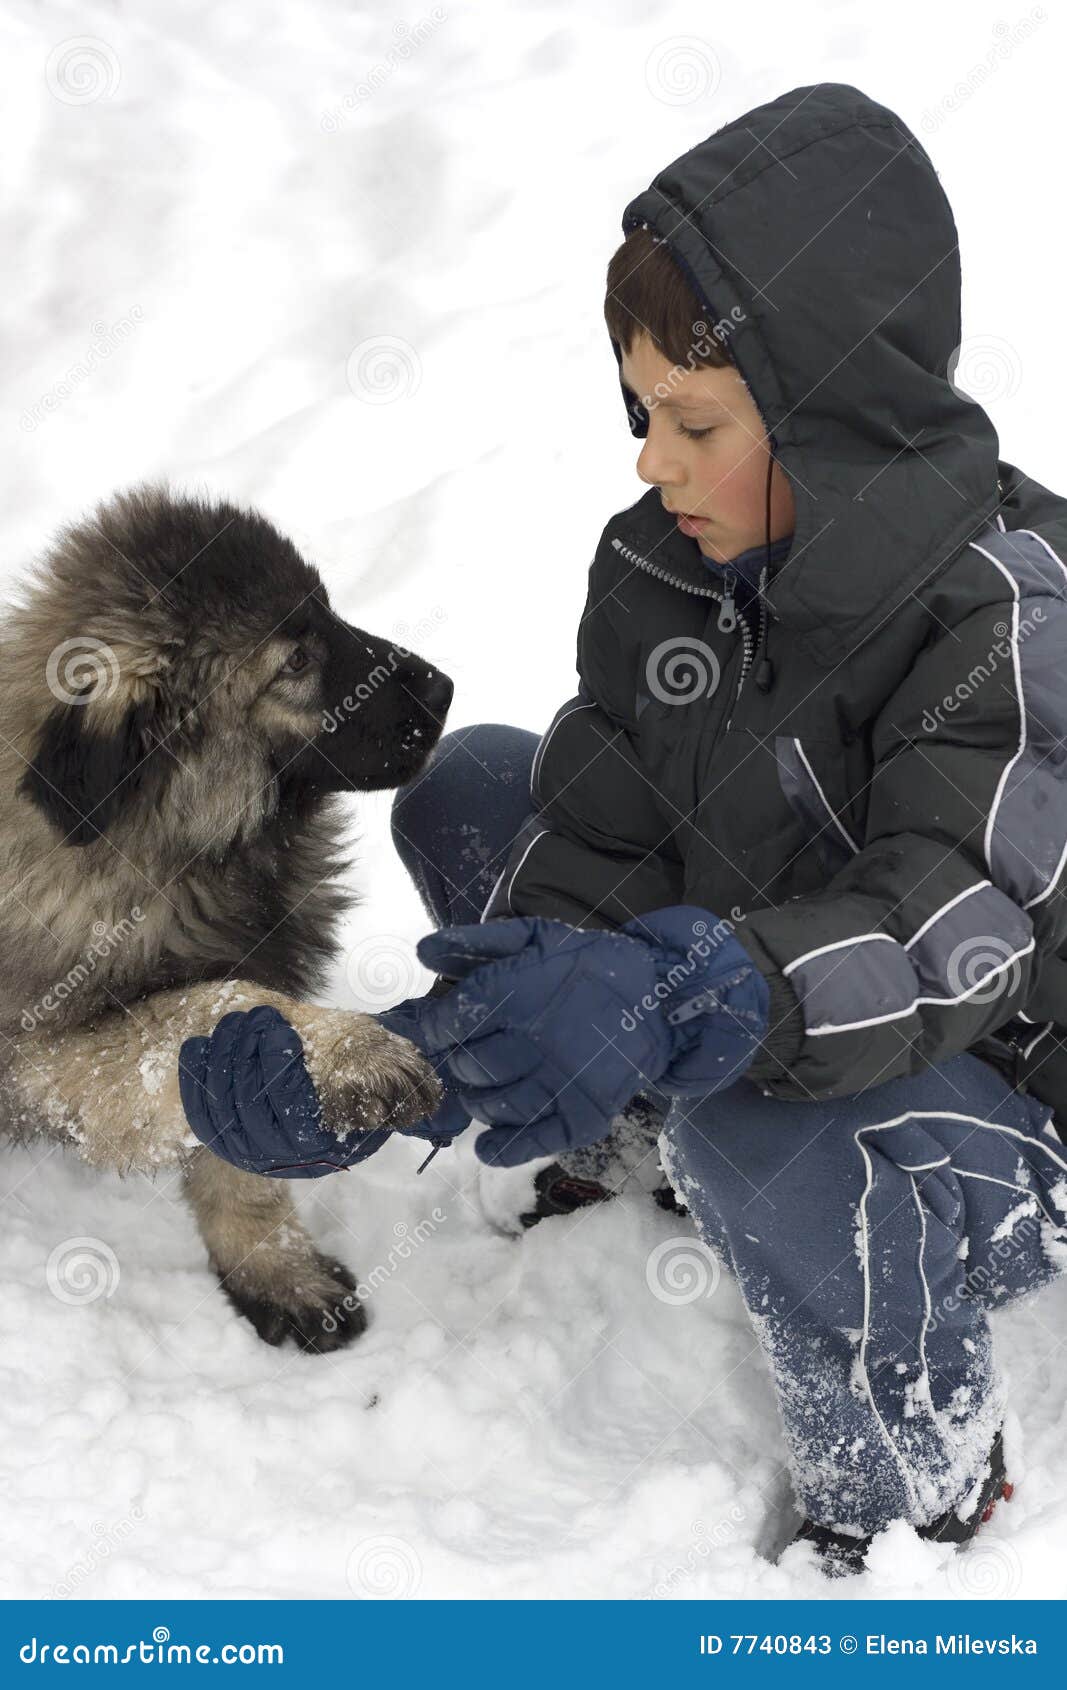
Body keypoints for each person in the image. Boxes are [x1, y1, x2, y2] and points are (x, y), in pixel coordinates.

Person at [178, 83, 1067, 1577]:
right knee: (473, 790)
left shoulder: (1010, 616)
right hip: (743, 989)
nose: (652, 459)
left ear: (837, 413)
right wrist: (383, 1072)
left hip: (995, 1108)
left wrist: (695, 991)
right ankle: (627, 1118)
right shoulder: (667, 568)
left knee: (754, 1101)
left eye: (696, 421)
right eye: (639, 410)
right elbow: (588, 855)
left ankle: (912, 1475)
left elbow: (944, 928)